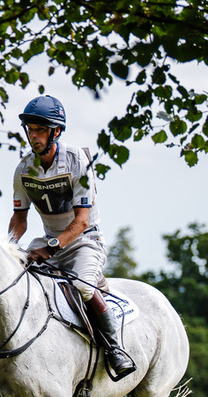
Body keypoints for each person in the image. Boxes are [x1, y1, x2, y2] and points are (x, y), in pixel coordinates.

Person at [7, 95, 135, 380]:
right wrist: (7, 249)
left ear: (56, 132)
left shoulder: (78, 161)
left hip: (84, 242)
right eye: (30, 129)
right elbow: (19, 219)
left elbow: (81, 221)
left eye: (39, 129)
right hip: (48, 241)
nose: (33, 135)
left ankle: (115, 349)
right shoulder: (23, 169)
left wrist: (52, 248)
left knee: (82, 285)